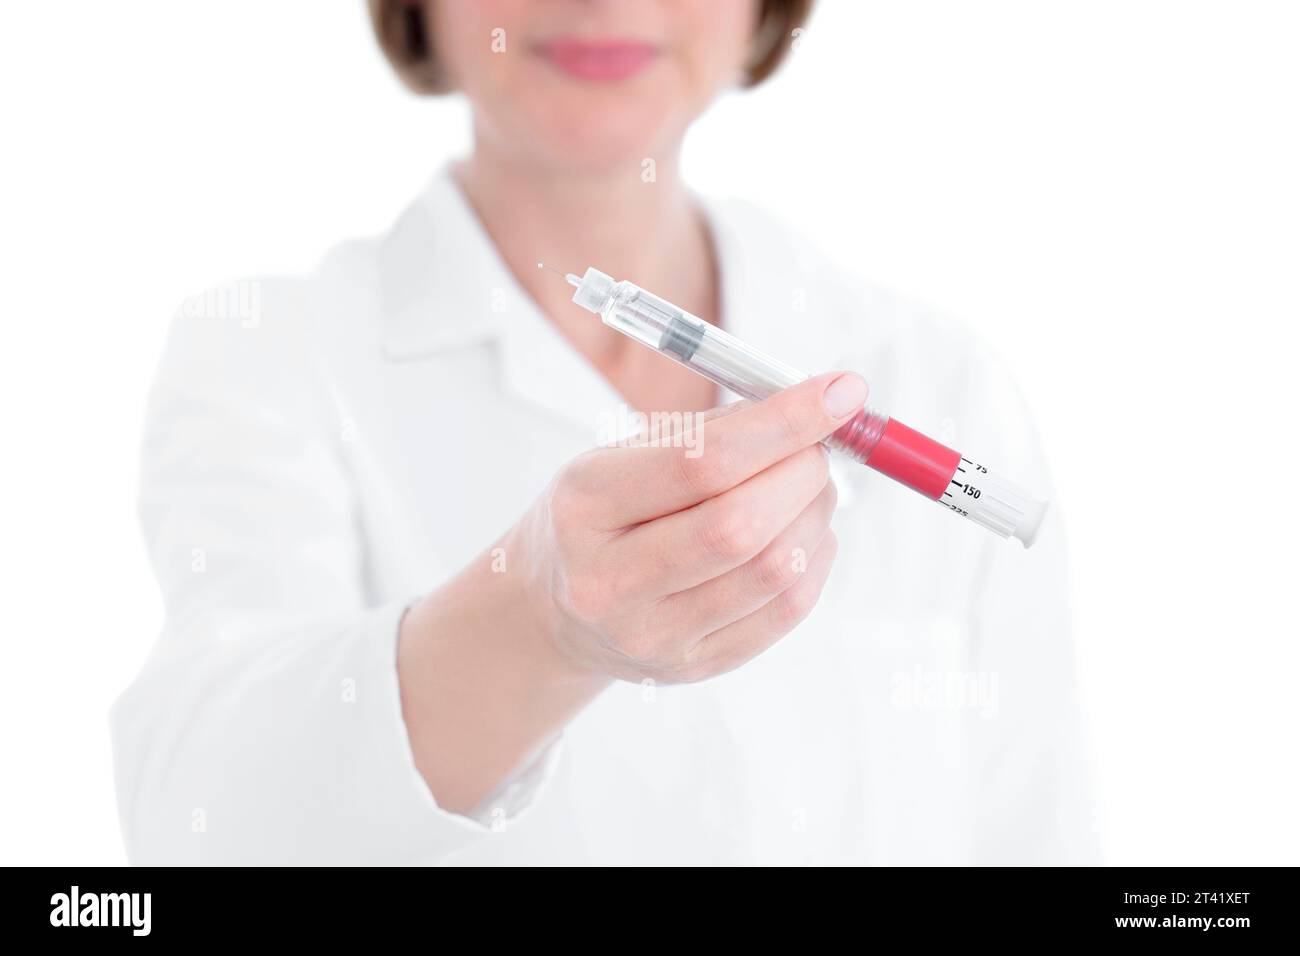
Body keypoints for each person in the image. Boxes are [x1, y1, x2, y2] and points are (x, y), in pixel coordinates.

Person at [111, 0, 1095, 864]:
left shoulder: (938, 370)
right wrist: (536, 624)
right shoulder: (272, 356)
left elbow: (1037, 832)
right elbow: (200, 817)